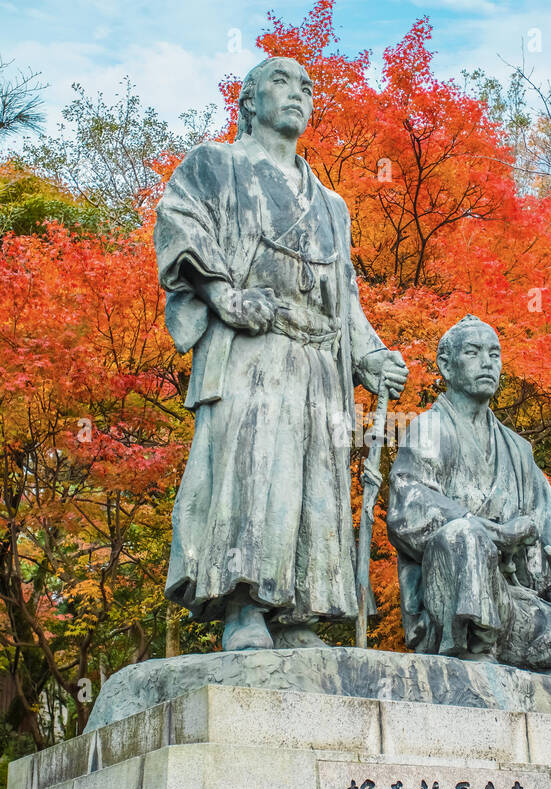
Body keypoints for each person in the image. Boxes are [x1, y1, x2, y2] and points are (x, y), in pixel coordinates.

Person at [153, 56, 408, 650]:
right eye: (281, 82)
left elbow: (343, 292)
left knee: (315, 480)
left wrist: (368, 355)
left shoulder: (332, 205)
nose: (298, 93)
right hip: (251, 344)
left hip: (320, 360)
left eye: (307, 87)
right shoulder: (215, 165)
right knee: (250, 467)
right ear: (248, 101)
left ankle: (296, 613)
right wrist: (223, 295)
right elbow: (180, 228)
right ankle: (243, 607)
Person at [386, 315, 551, 685]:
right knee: (462, 534)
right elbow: (408, 512)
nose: (488, 362)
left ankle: (518, 670)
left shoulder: (518, 450)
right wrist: (492, 532)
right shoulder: (427, 429)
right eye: (473, 352)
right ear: (446, 366)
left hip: (512, 601)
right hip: (450, 603)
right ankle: (471, 651)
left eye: (495, 354)